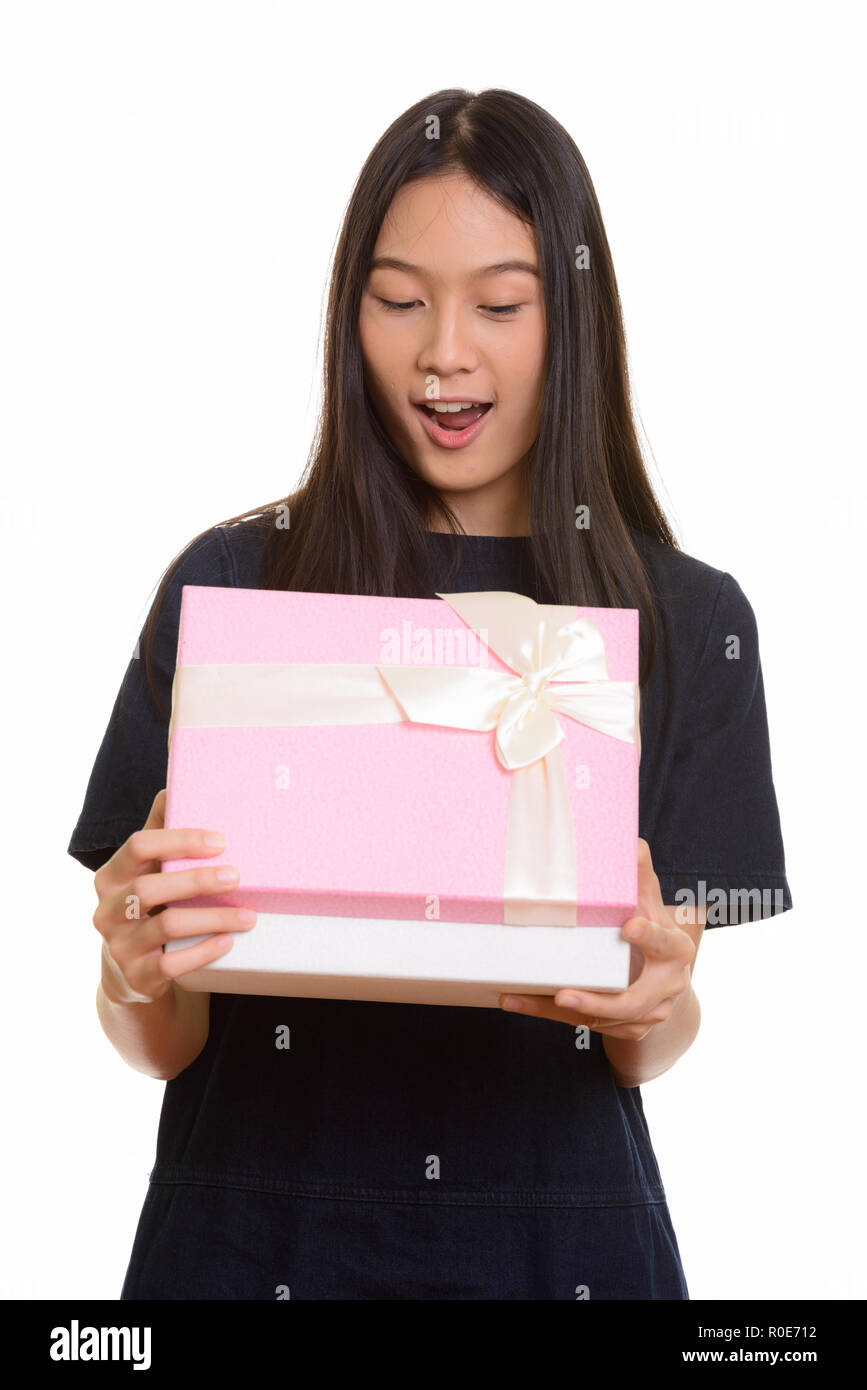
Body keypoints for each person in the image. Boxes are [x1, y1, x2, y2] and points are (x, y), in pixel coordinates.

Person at [68, 88, 792, 1300]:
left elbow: (648, 1044)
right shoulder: (236, 584)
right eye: (399, 299)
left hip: (556, 1249)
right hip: (251, 1237)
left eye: (500, 305)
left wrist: (653, 999)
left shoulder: (682, 619)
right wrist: (128, 973)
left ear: (574, 320)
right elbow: (166, 1035)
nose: (444, 349)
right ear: (351, 312)